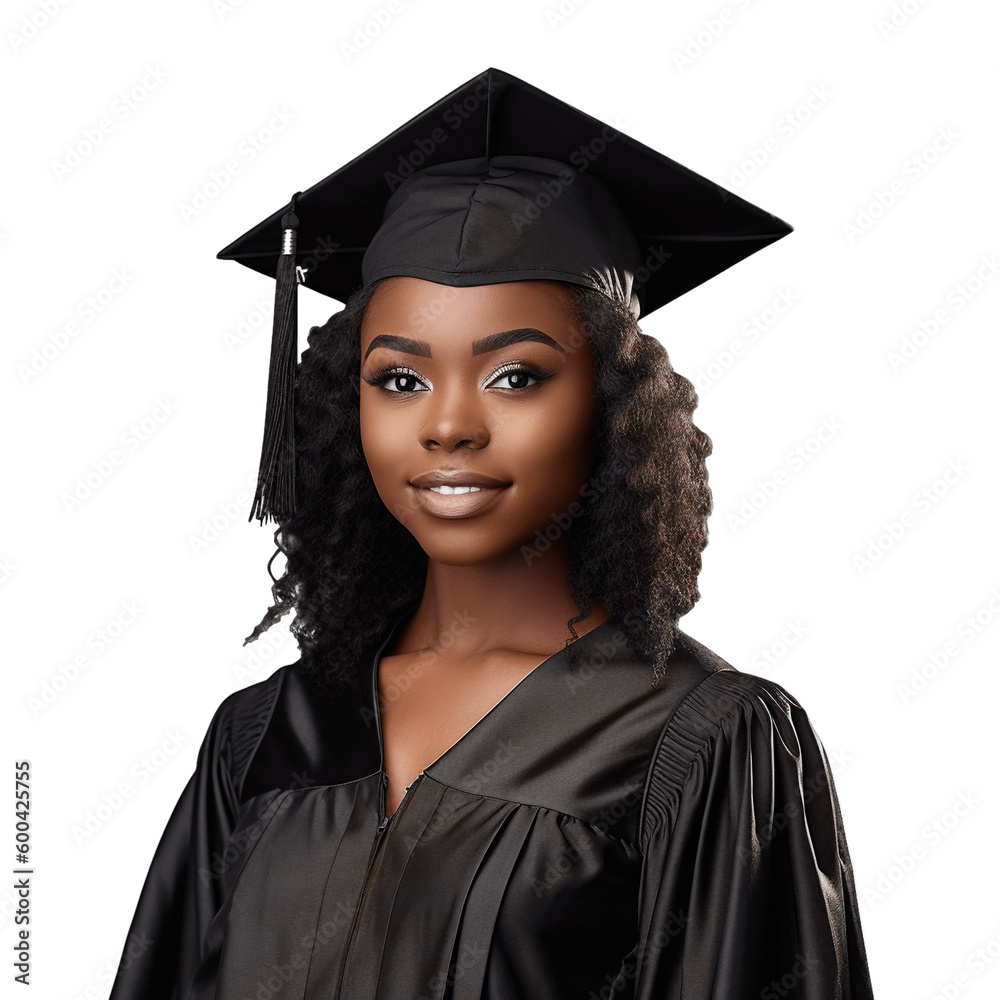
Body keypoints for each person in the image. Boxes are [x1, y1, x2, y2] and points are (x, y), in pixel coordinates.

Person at [109, 68, 874, 999]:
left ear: (615, 406)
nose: (448, 426)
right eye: (399, 379)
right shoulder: (265, 737)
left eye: (516, 376)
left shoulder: (701, 742)